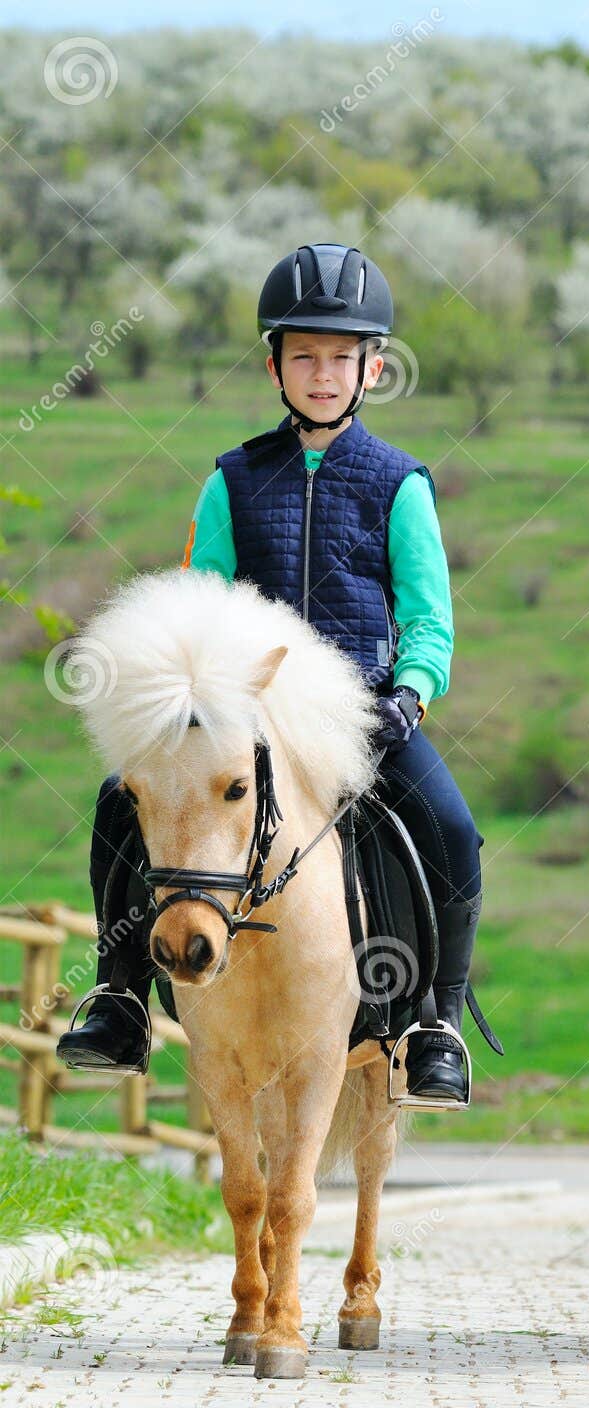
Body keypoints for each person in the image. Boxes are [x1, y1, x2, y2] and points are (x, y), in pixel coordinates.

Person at [59, 242, 485, 1107]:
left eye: (340, 358)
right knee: (117, 798)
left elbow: (430, 618)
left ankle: (433, 1022)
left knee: (451, 828)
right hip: (239, 715)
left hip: (357, 716)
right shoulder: (231, 481)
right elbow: (195, 604)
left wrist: (410, 693)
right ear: (275, 367)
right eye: (305, 357)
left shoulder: (402, 484)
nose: (322, 374)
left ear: (372, 368)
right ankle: (119, 998)